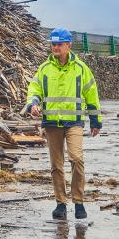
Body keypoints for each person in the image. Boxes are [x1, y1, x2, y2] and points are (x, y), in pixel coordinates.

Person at [25, 28, 102, 219]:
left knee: (76, 159)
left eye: (59, 44)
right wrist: (33, 104)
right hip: (52, 123)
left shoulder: (81, 69)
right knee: (56, 165)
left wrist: (95, 121)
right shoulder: (44, 68)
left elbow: (91, 94)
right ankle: (60, 203)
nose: (55, 47)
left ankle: (78, 202)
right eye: (53, 44)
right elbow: (34, 89)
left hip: (74, 122)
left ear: (69, 45)